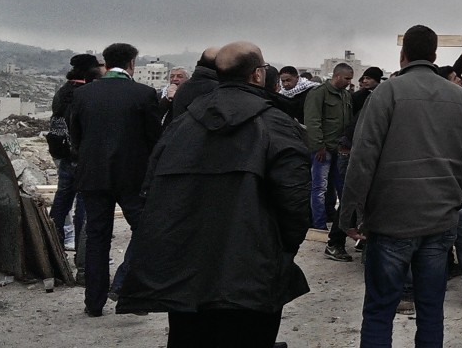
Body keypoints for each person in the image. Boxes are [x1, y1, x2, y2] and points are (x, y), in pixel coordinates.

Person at [117, 41, 310, 348]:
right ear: (258, 75)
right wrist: (283, 250)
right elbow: (295, 201)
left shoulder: (182, 122)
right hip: (252, 268)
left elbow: (151, 190)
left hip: (187, 270)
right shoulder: (276, 124)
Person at [339, 25, 462, 348]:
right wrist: (456, 197)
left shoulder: (386, 93)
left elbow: (362, 158)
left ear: (402, 55)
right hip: (439, 220)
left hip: (391, 221)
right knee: (431, 310)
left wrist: (348, 212)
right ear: (434, 55)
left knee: (379, 311)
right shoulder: (461, 98)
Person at [69, 43, 161, 317]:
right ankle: (128, 293)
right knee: (144, 232)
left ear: (105, 63)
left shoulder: (83, 94)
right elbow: (154, 138)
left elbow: (76, 137)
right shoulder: (144, 94)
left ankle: (93, 303)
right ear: (132, 63)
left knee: (97, 237)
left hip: (93, 175)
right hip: (133, 177)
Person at [48, 54, 102, 270]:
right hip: (82, 157)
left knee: (61, 200)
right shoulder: (86, 93)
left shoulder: (62, 91)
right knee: (83, 206)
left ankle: (54, 248)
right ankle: (83, 258)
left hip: (63, 154)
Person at [303, 62, 353, 261]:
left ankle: (336, 222)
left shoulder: (346, 96)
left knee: (339, 188)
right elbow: (313, 121)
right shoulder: (319, 93)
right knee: (320, 187)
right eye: (347, 79)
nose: (350, 83)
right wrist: (318, 146)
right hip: (323, 150)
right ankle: (319, 225)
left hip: (339, 149)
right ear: (337, 76)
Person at [171, 47, 219, 120]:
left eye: (179, 76)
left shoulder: (183, 89)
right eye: (172, 76)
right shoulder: (219, 88)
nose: (175, 79)